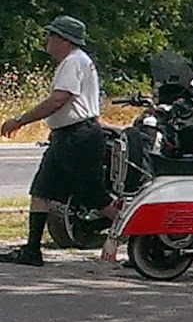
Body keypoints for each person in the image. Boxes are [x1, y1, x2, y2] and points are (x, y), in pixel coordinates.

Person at [0, 16, 114, 267]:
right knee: (41, 190)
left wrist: (19, 120)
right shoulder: (78, 61)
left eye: (52, 36)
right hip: (69, 136)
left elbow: (57, 100)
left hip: (78, 136)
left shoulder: (73, 61)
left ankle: (135, 235)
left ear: (64, 40)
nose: (47, 41)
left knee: (95, 195)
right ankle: (32, 249)